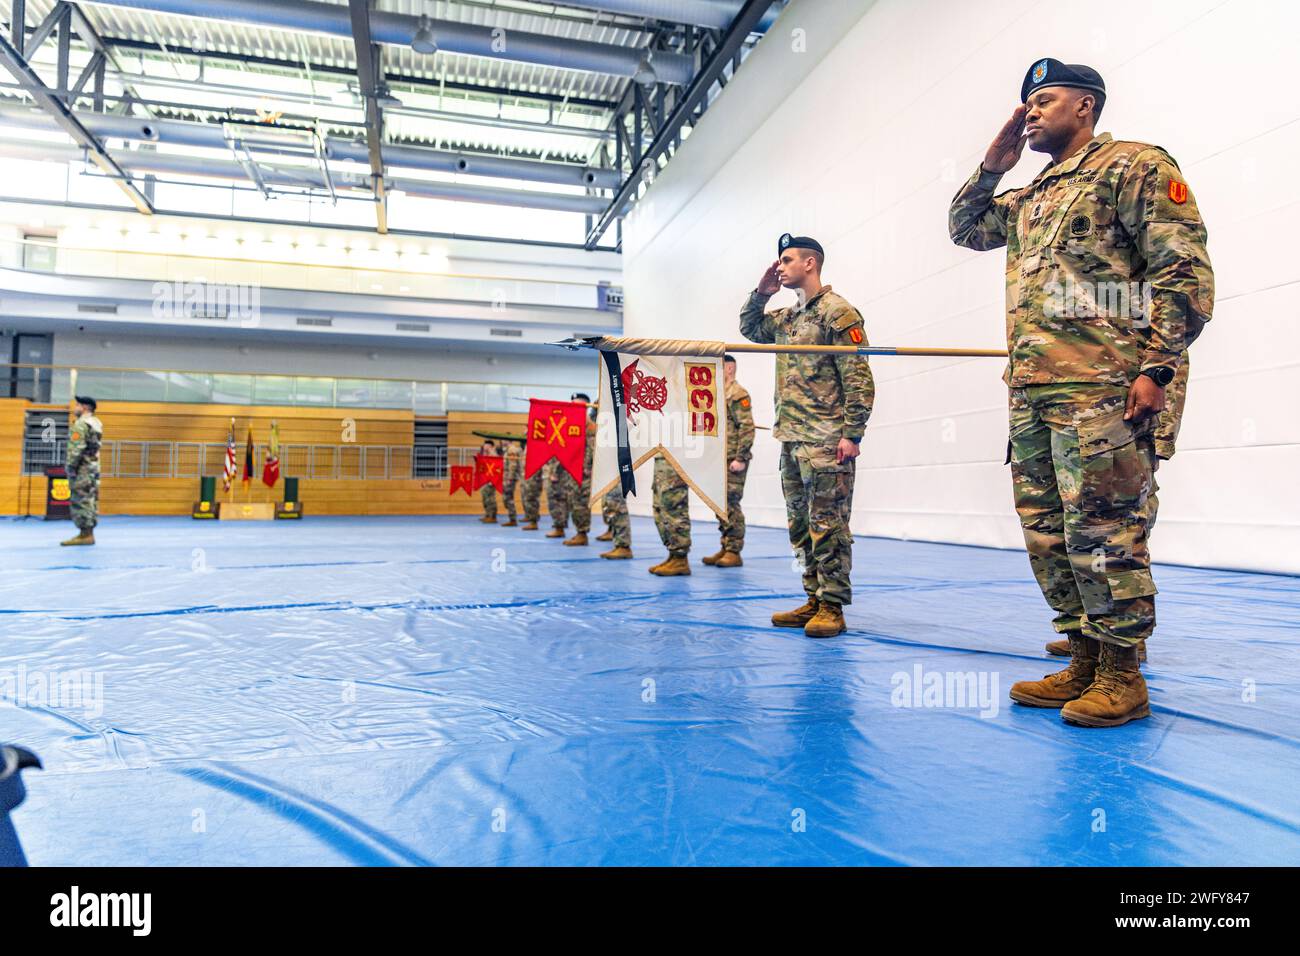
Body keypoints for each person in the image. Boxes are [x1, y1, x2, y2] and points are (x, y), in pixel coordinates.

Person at [949, 58, 1214, 727]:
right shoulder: (1032, 196)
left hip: (1106, 388)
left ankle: (1123, 676)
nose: (1030, 111)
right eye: (1026, 103)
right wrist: (994, 164)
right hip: (1035, 391)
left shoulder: (1135, 166)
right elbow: (964, 227)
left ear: (1086, 106)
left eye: (1044, 99)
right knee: (1049, 532)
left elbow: (1183, 271)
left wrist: (1158, 368)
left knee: (1105, 529)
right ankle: (1086, 657)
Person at [739, 234, 875, 638]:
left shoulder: (838, 313)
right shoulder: (788, 318)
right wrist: (761, 292)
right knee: (799, 524)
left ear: (810, 263)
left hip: (826, 439)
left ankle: (832, 606)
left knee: (828, 525)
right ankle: (813, 596)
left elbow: (858, 377)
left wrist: (853, 433)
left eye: (786, 260)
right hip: (792, 438)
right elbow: (750, 328)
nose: (779, 267)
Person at [1044, 350, 1189, 663]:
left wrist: (1156, 378)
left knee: (1124, 516)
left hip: (1131, 395)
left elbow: (1172, 331)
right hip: (1104, 389)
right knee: (1082, 520)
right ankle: (1095, 630)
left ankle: (1125, 640)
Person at [702, 355, 755, 568]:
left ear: (730, 368)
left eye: (720, 366)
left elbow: (747, 427)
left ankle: (734, 550)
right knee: (720, 504)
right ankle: (725, 545)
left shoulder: (738, 393)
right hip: (718, 459)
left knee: (731, 503)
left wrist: (740, 458)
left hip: (733, 458)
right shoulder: (718, 394)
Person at [62, 395, 103, 546]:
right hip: (93, 467)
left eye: (77, 405)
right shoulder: (96, 422)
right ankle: (88, 533)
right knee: (90, 500)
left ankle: (85, 534)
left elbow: (76, 448)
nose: (75, 408)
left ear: (84, 408)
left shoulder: (81, 424)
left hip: (83, 468)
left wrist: (71, 467)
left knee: (81, 500)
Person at [648, 454, 691, 576]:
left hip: (675, 458)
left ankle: (680, 559)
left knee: (674, 509)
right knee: (661, 509)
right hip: (661, 459)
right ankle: (673, 555)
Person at [564, 395, 596, 547]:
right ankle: (579, 532)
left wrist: (588, 468)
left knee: (581, 502)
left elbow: (592, 450)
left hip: (584, 471)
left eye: (576, 406)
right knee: (573, 501)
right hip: (573, 469)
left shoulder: (590, 427)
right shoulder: (572, 425)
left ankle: (582, 534)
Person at [599, 489, 633, 560]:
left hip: (615, 478)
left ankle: (623, 547)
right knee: (610, 503)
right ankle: (620, 545)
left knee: (615, 502)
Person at [500, 440, 523, 527]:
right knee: (507, 498)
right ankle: (512, 518)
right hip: (507, 477)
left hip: (510, 478)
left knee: (508, 498)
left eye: (503, 440)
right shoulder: (508, 450)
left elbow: (513, 464)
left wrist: (510, 477)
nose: (501, 441)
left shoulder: (511, 450)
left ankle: (512, 519)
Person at [477, 439, 498, 524]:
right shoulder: (484, 454)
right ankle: (487, 514)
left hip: (491, 479)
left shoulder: (493, 454)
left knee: (490, 498)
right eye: (484, 445)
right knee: (485, 497)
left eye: (487, 445)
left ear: (491, 446)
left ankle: (493, 516)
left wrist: (491, 452)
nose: (484, 446)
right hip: (484, 478)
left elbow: (497, 463)